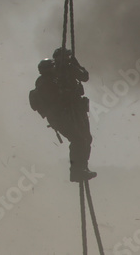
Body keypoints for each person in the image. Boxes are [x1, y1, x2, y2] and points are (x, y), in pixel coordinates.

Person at [29, 48, 96, 183]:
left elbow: (84, 76)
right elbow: (58, 100)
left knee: (85, 139)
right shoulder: (47, 83)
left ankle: (82, 168)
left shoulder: (60, 77)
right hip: (60, 117)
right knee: (78, 140)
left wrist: (74, 64)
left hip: (70, 114)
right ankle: (77, 171)